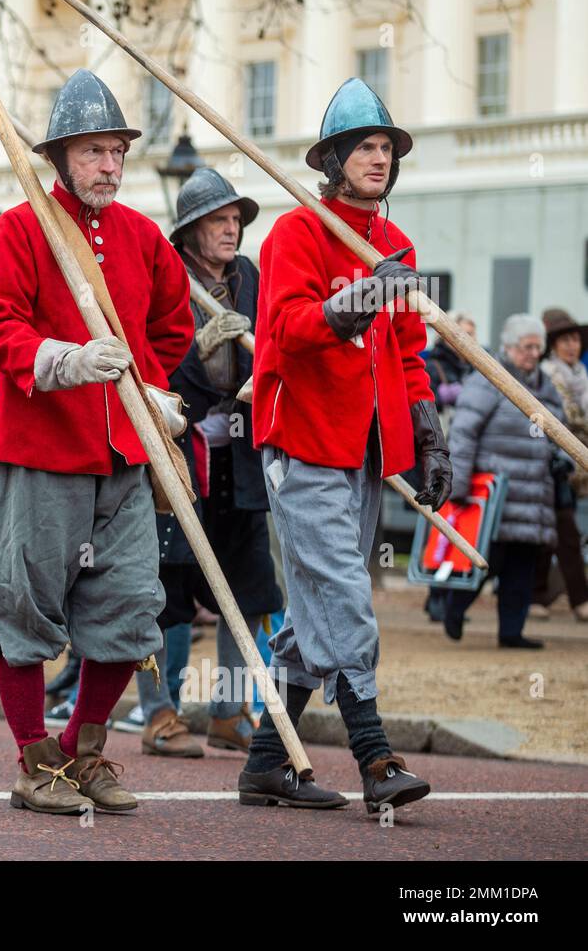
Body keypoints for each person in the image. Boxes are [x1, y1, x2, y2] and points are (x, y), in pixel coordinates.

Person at [0, 69, 193, 814]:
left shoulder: (144, 237)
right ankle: (34, 762)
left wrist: (156, 393)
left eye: (116, 152)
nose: (108, 166)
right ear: (62, 157)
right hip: (39, 451)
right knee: (25, 609)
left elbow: (169, 329)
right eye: (94, 152)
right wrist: (62, 359)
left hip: (123, 455)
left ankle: (83, 751)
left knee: (132, 607)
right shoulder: (17, 228)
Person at [244, 78, 446, 813]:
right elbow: (287, 330)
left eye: (387, 146)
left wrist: (427, 429)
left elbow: (411, 351)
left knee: (315, 606)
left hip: (366, 450)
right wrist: (359, 296)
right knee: (345, 594)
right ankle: (375, 754)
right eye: (365, 145)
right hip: (302, 441)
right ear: (333, 158)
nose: (379, 158)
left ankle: (266, 762)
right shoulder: (296, 233)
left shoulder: (396, 243)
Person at [137, 167, 282, 758]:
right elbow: (148, 365)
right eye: (218, 220)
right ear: (190, 230)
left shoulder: (251, 279)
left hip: (240, 460)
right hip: (179, 455)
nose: (230, 229)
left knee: (245, 591)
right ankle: (158, 712)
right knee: (161, 591)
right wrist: (196, 354)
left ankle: (229, 711)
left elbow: (275, 348)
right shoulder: (163, 277)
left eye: (235, 220)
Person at [443, 313, 564, 649]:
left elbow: (560, 430)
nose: (533, 354)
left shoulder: (544, 384)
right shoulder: (488, 379)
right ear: (509, 347)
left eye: (538, 347)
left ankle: (512, 631)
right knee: (486, 561)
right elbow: (464, 433)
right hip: (494, 494)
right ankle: (454, 606)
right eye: (527, 347)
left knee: (522, 569)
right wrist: (459, 484)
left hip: (533, 493)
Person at [531, 307, 588, 621]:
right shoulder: (548, 375)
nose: (572, 345)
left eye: (575, 339)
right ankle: (579, 599)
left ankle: (538, 595)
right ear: (553, 345)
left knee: (552, 530)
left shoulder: (581, 376)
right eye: (565, 340)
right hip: (554, 464)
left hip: (576, 463)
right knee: (561, 529)